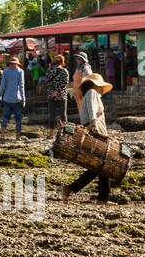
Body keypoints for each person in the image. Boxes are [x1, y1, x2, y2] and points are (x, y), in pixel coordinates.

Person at [61, 72, 114, 204]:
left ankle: (101, 198)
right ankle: (71, 189)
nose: (101, 89)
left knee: (100, 165)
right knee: (101, 165)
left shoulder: (88, 94)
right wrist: (94, 124)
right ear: (96, 85)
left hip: (93, 131)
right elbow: (91, 109)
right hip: (95, 132)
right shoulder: (92, 93)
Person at [42, 55, 70, 141]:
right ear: (62, 61)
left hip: (51, 95)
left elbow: (47, 81)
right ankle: (64, 134)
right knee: (63, 115)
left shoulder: (49, 70)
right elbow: (65, 83)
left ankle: (51, 134)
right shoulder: (64, 71)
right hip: (62, 95)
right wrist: (57, 91)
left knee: (52, 115)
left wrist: (53, 91)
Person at [0, 56, 25, 143]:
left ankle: (2, 135)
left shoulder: (5, 71)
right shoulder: (20, 71)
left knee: (5, 118)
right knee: (18, 119)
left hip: (7, 98)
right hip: (17, 98)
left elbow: (3, 85)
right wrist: (23, 98)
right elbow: (21, 86)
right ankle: (17, 137)